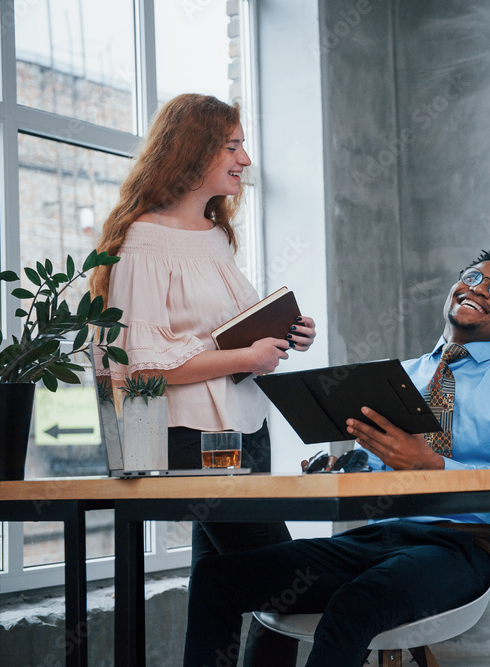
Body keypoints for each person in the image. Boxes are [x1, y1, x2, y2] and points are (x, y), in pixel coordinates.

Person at [181, 250, 490, 667]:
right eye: (472, 277)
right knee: (216, 579)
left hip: (458, 548)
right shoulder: (397, 375)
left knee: (356, 602)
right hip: (376, 539)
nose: (479, 288)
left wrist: (429, 465)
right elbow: (374, 466)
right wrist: (340, 469)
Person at [91, 93, 317, 666]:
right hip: (192, 438)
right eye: (233, 145)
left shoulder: (214, 235)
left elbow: (222, 334)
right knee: (286, 579)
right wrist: (246, 357)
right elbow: (141, 366)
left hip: (245, 430)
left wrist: (283, 334)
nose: (245, 159)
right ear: (193, 152)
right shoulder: (144, 240)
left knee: (217, 582)